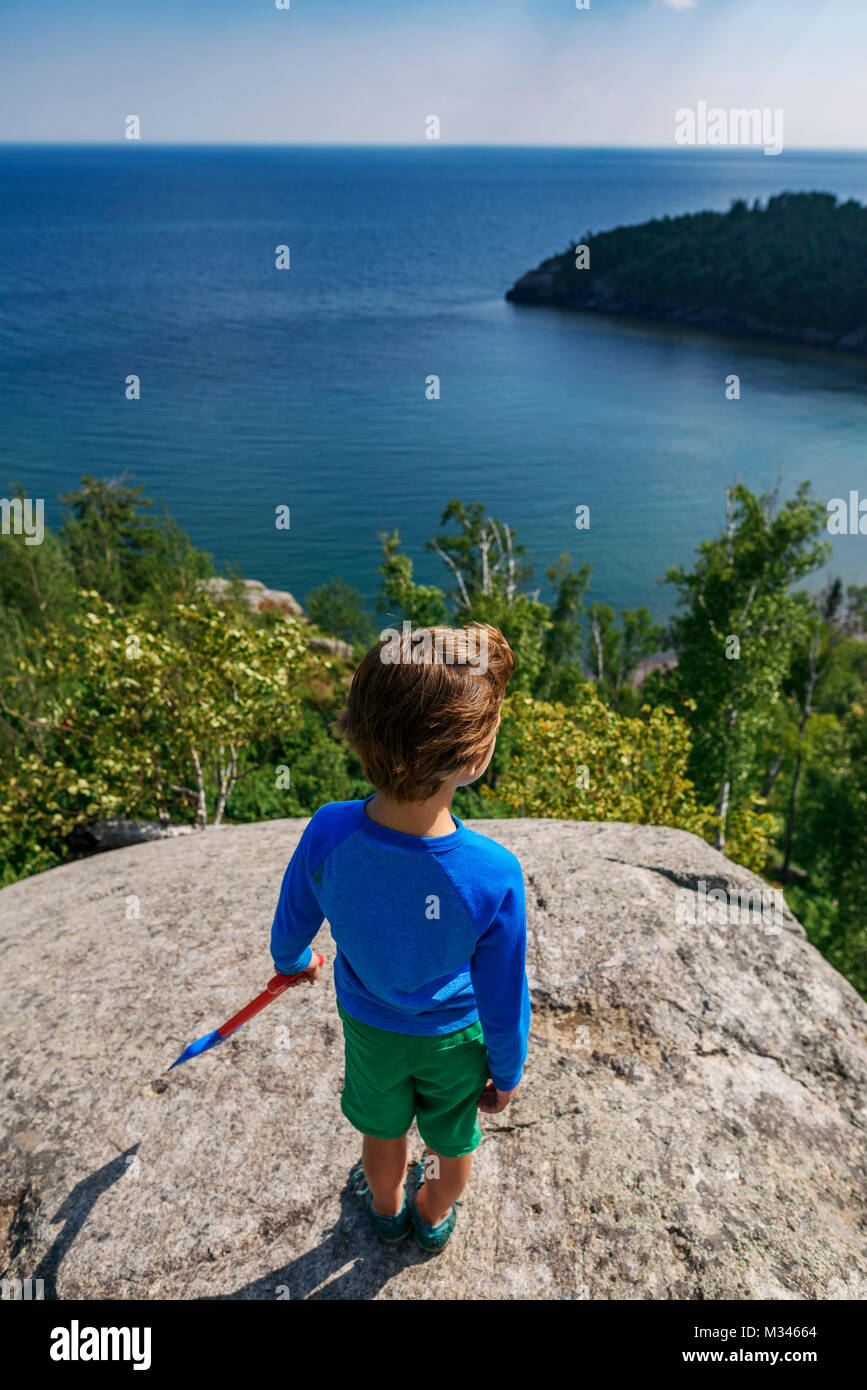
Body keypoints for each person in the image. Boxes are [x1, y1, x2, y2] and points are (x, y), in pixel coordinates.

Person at [269, 623, 530, 1253]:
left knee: (382, 1134)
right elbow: (503, 991)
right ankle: (433, 1211)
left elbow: (295, 912)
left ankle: (384, 1210)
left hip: (371, 1027)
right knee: (449, 1140)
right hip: (456, 1040)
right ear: (473, 759)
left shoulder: (330, 832)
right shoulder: (492, 873)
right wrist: (508, 1066)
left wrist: (293, 960)